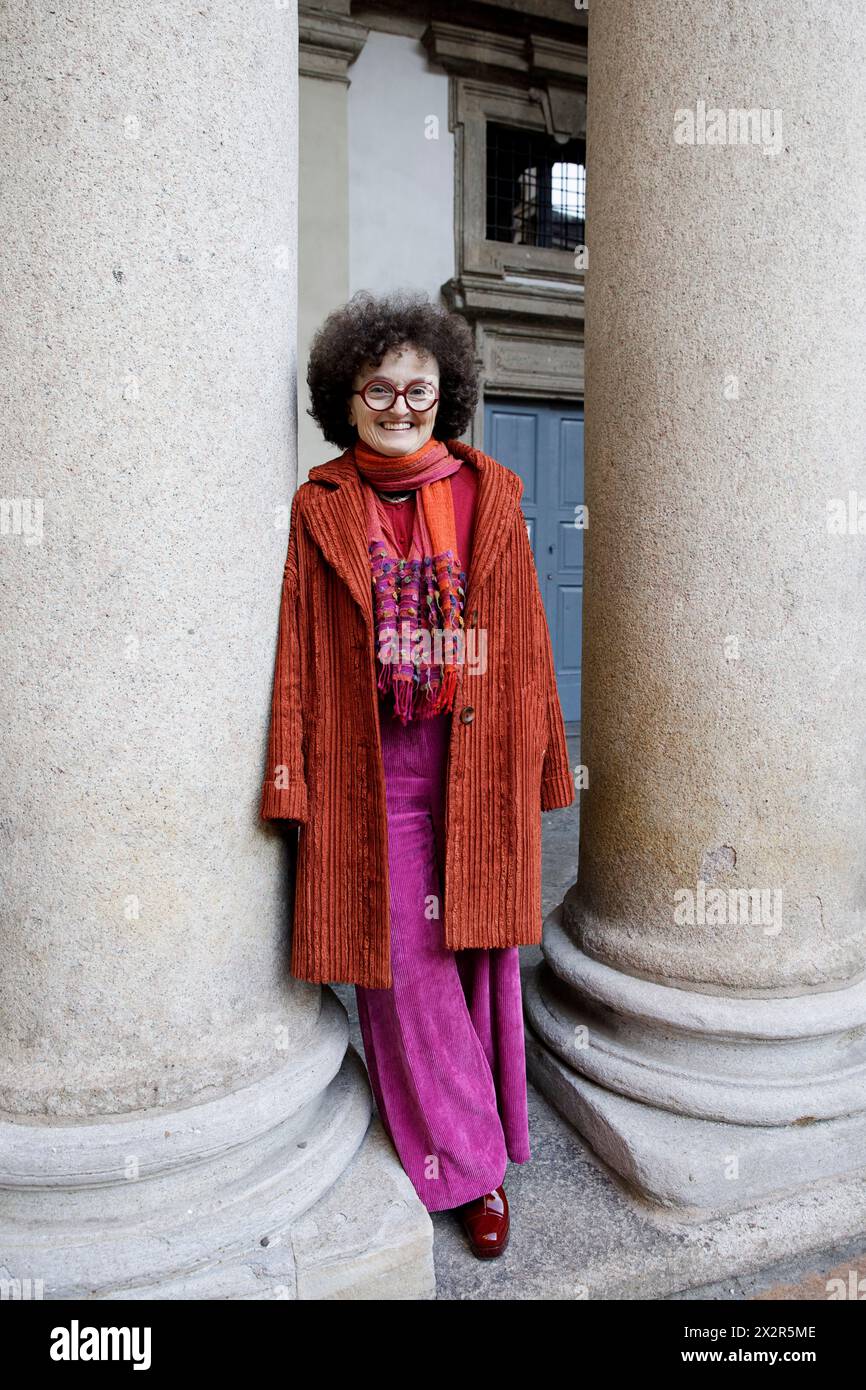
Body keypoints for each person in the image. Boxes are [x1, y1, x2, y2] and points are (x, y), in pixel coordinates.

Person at [261, 288, 574, 1258]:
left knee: (477, 956)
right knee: (410, 969)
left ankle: (479, 1132)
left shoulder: (492, 495)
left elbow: (522, 641)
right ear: (345, 400)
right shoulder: (320, 508)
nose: (400, 407)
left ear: (446, 396)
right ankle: (468, 1167)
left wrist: (544, 766)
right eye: (378, 390)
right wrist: (289, 776)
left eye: (419, 391)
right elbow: (297, 649)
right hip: (375, 770)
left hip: (472, 759)